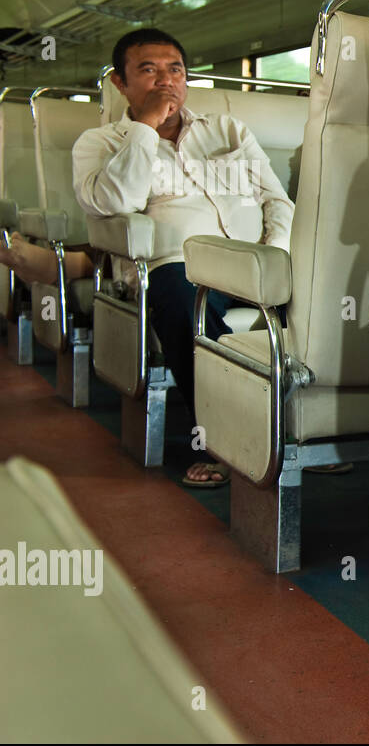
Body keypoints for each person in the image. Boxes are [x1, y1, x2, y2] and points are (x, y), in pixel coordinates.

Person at [72, 28, 294, 488]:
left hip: (253, 258)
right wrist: (144, 130)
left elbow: (277, 201)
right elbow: (116, 202)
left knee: (328, 292)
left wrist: (276, 257)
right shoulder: (99, 143)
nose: (165, 80)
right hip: (176, 266)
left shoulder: (227, 129)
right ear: (120, 82)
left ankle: (295, 432)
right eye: (148, 70)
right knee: (180, 297)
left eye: (175, 69)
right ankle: (227, 440)